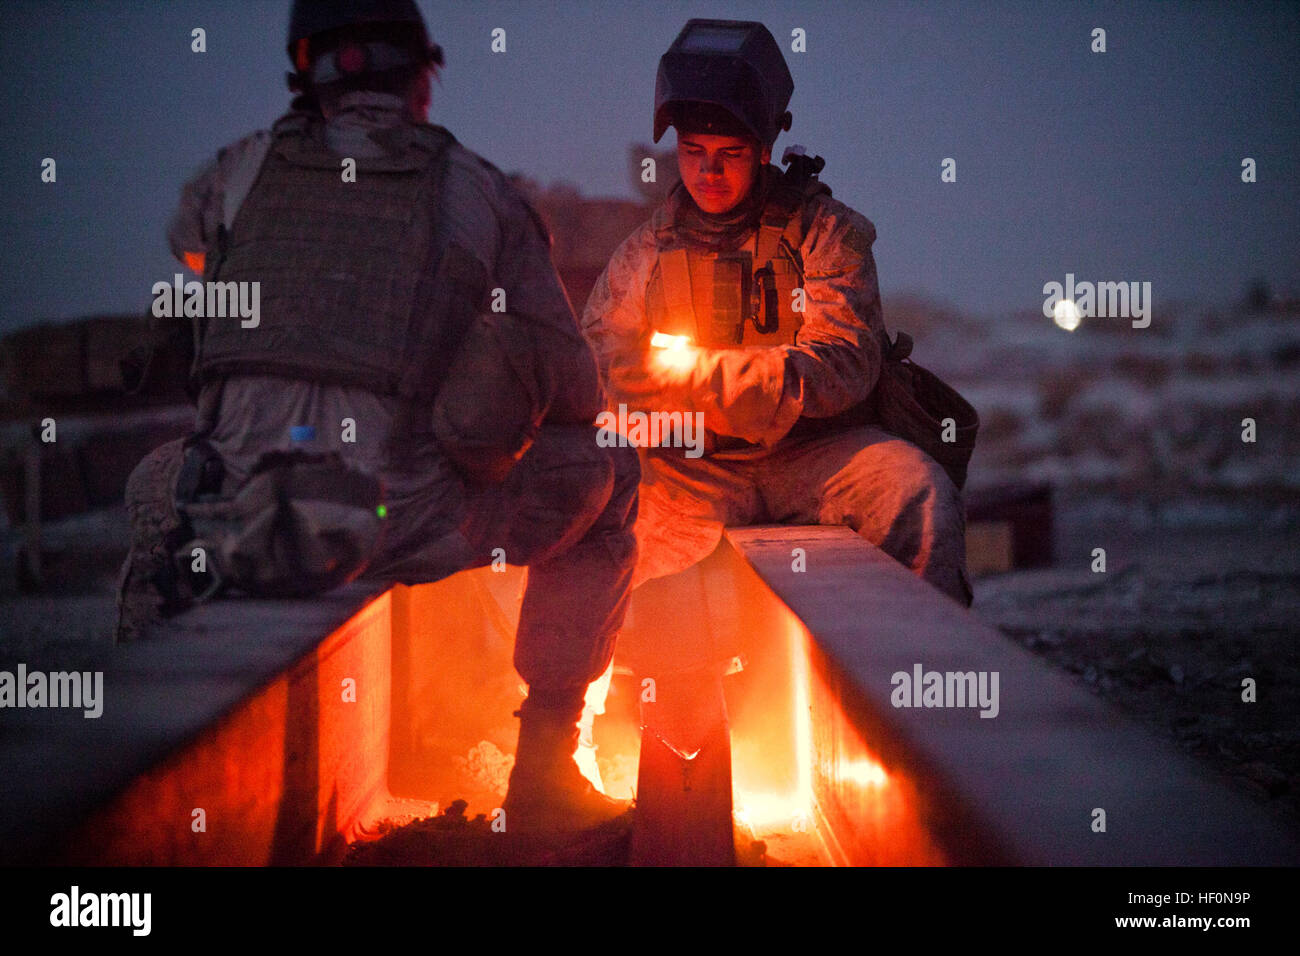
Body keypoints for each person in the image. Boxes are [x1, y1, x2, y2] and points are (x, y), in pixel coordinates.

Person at [114, 0, 638, 832]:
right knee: (614, 477)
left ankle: (134, 762)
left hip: (237, 510)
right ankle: (544, 769)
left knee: (155, 482)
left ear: (305, 72)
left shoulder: (239, 169)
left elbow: (189, 246)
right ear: (423, 81)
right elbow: (575, 388)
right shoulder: (477, 189)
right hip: (396, 519)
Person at [582, 18, 972, 606]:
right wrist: (628, 395)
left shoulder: (826, 233)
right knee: (610, 525)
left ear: (764, 150)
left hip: (816, 455)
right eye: (693, 152)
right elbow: (598, 362)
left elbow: (844, 363)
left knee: (914, 491)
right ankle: (640, 686)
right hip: (695, 468)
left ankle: (917, 673)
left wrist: (703, 379)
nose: (709, 172)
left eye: (730, 154)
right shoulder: (645, 253)